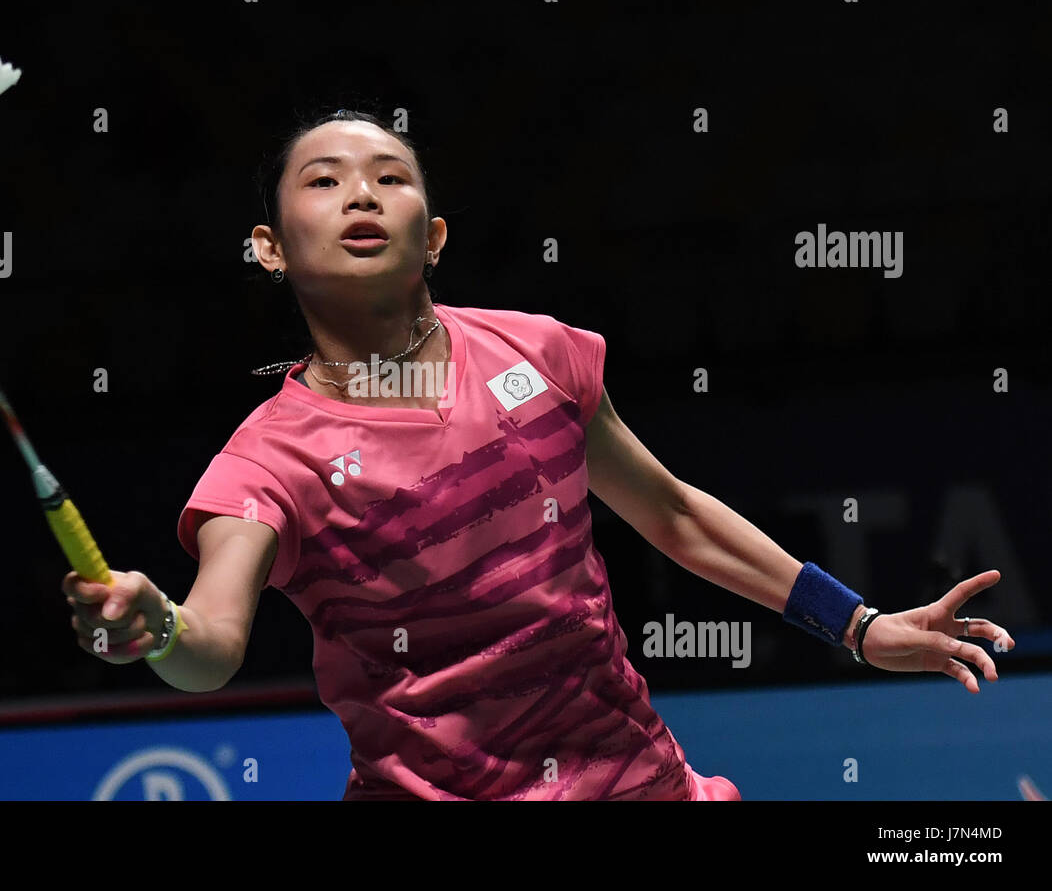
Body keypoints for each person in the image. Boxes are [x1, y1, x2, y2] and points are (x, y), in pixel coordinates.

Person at [63, 109, 1016, 801]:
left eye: (391, 176)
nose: (361, 191)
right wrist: (156, 627)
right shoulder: (271, 460)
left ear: (431, 236)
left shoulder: (537, 354)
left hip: (640, 782)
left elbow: (675, 516)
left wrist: (858, 626)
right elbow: (214, 648)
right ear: (269, 249)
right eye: (323, 179)